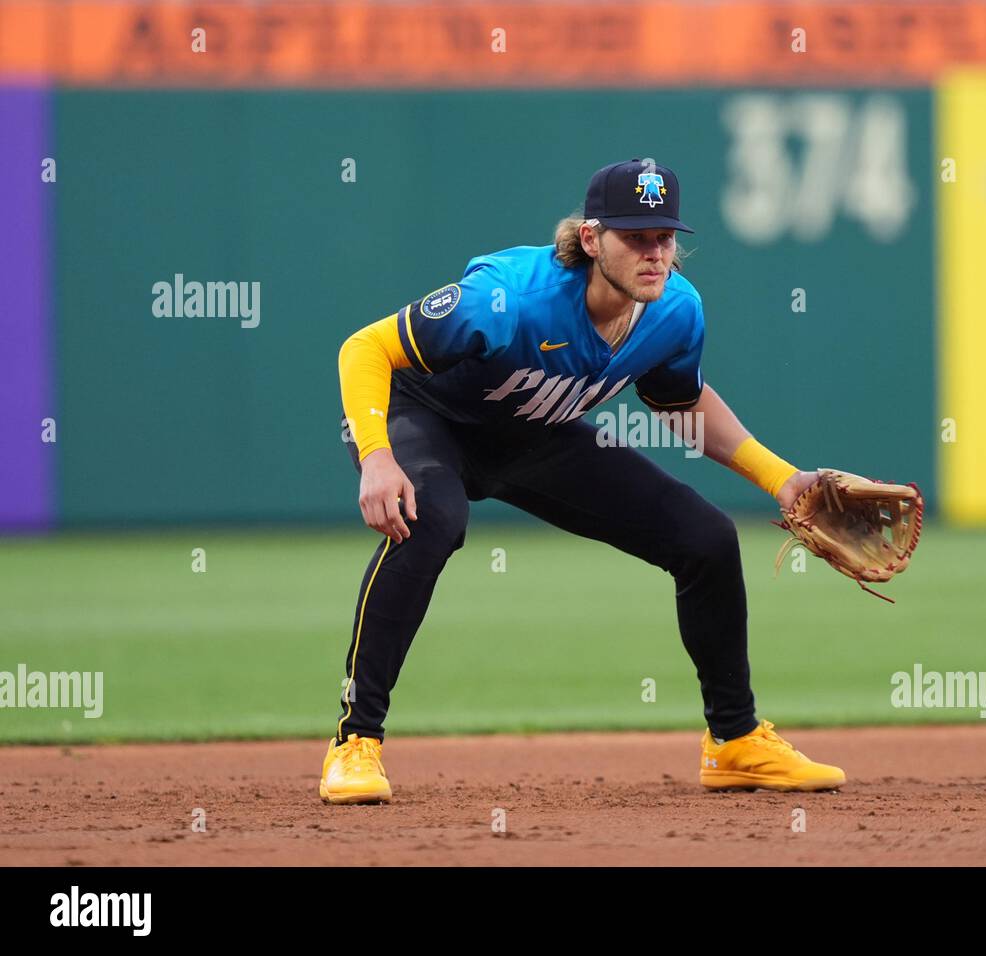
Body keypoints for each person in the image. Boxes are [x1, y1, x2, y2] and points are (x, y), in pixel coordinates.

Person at [320, 159, 846, 804]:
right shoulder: (511, 297)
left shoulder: (675, 311)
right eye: (635, 237)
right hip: (423, 420)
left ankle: (735, 743)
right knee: (432, 518)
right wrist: (378, 456)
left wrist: (783, 480)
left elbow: (680, 404)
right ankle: (356, 741)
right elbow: (365, 348)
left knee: (705, 538)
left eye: (664, 237)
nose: (654, 253)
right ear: (592, 238)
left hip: (532, 432)